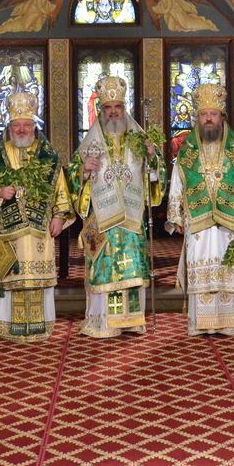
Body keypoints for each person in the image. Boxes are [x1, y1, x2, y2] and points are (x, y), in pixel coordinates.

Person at [68, 76, 165, 338]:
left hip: (131, 217)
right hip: (103, 217)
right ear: (101, 109)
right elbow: (72, 176)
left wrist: (153, 157)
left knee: (132, 267)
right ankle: (102, 322)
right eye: (108, 108)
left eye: (117, 108)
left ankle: (132, 320)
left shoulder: (139, 139)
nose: (113, 113)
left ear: (125, 109)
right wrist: (84, 171)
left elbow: (158, 174)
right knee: (104, 266)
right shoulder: (91, 142)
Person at [0, 91, 73, 341]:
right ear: (9, 127)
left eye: (26, 125)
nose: (21, 130)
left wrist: (59, 217)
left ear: (34, 126)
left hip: (40, 230)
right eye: (16, 125)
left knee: (37, 277)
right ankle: (9, 325)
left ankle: (39, 326)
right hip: (9, 232)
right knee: (13, 276)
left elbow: (60, 188)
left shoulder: (48, 156)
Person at [166, 84, 234, 336]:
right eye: (204, 115)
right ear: (197, 119)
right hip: (198, 223)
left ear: (221, 117)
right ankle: (200, 323)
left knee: (229, 272)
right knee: (200, 269)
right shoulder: (188, 152)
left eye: (213, 114)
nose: (209, 119)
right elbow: (177, 182)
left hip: (228, 224)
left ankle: (230, 323)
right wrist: (176, 215)